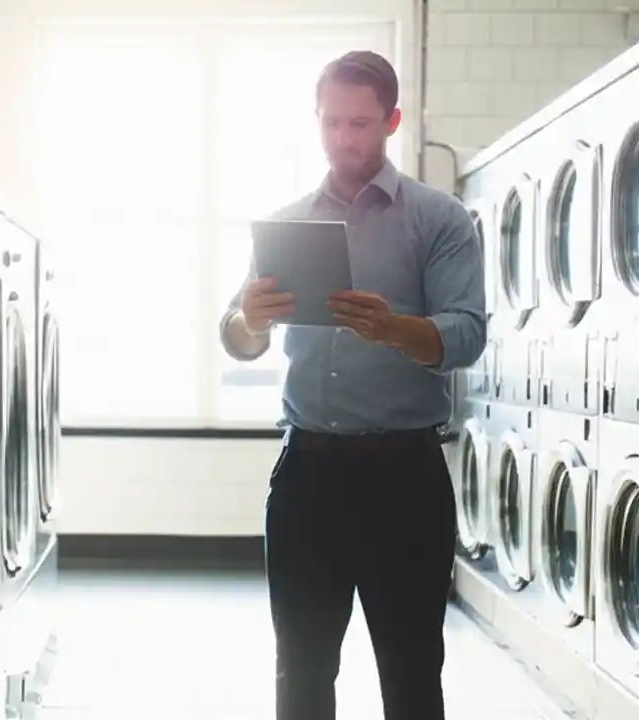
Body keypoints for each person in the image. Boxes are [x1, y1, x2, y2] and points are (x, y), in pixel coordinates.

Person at [220, 50, 486, 720]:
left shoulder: (439, 219)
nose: (345, 138)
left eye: (361, 123)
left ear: (392, 121)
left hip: (406, 478)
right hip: (308, 478)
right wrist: (248, 321)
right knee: (302, 672)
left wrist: (396, 328)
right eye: (333, 122)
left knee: (412, 670)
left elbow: (467, 334)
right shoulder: (285, 223)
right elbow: (235, 335)